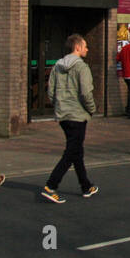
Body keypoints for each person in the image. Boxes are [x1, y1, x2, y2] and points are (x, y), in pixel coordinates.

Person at [41, 34, 98, 203]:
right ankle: (51, 185)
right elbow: (86, 92)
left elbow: (51, 91)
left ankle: (86, 185)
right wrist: (92, 109)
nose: (87, 49)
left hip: (63, 115)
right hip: (78, 115)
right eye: (85, 46)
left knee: (76, 151)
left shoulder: (57, 66)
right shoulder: (82, 68)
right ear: (78, 47)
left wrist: (58, 106)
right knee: (71, 152)